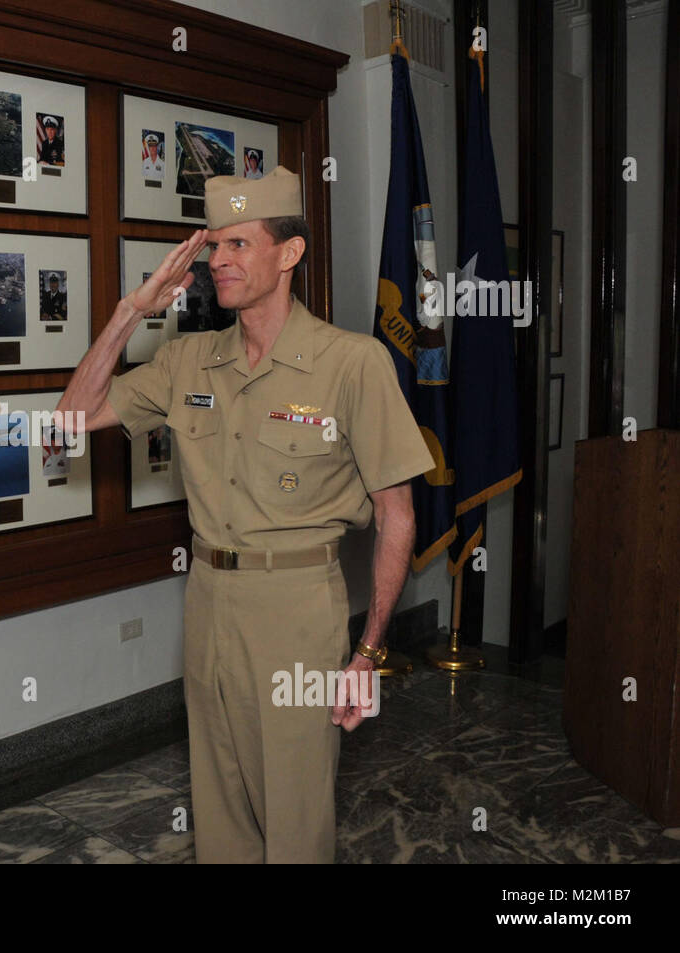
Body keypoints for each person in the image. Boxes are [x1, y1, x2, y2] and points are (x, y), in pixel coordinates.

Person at [56, 167, 432, 863]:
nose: (217, 262)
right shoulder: (189, 359)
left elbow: (398, 515)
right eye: (212, 248)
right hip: (207, 601)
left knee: (293, 816)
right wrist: (132, 310)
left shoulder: (352, 363)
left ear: (289, 253)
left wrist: (370, 652)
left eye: (236, 245)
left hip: (297, 608)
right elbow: (68, 423)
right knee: (220, 810)